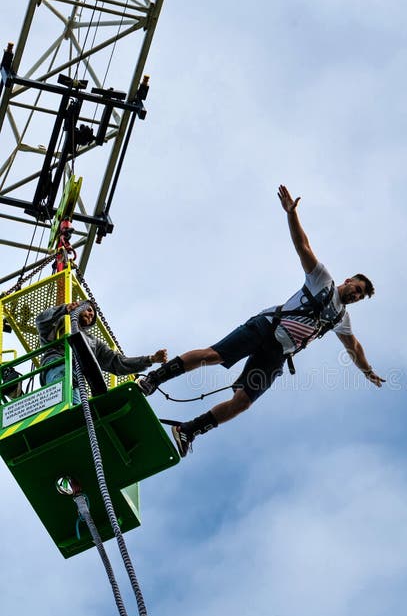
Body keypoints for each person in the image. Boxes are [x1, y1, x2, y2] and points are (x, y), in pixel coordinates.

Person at [138, 185, 385, 457]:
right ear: (349, 281)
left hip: (278, 353)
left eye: (361, 297)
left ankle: (189, 430)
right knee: (214, 355)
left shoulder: (342, 317)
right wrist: (291, 214)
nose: (357, 295)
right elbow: (302, 246)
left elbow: (354, 347)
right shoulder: (322, 279)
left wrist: (366, 370)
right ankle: (153, 379)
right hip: (266, 327)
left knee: (243, 402)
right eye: (358, 289)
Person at [36, 299, 167, 404]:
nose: (91, 314)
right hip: (56, 364)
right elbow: (42, 321)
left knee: (77, 402)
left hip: (77, 378)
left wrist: (151, 359)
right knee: (65, 398)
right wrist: (64, 309)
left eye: (92, 314)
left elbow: (117, 362)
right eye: (88, 309)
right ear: (78, 307)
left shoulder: (92, 342)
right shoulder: (59, 322)